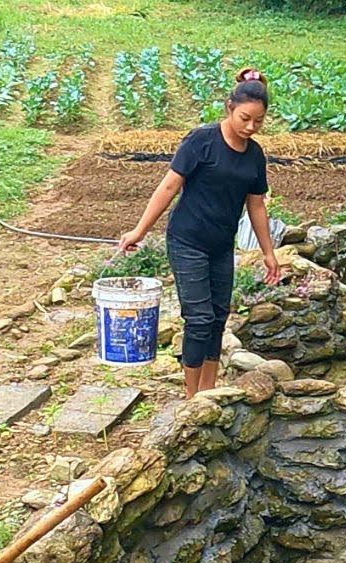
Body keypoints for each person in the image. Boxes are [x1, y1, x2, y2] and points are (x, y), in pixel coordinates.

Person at [119, 67, 282, 400]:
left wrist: (269, 253)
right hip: (187, 241)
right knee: (199, 318)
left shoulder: (255, 155)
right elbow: (168, 187)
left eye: (258, 122)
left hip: (221, 246)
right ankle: (192, 397)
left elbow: (257, 207)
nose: (250, 127)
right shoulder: (201, 141)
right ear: (229, 108)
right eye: (244, 118)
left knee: (218, 318)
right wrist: (139, 230)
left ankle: (208, 390)